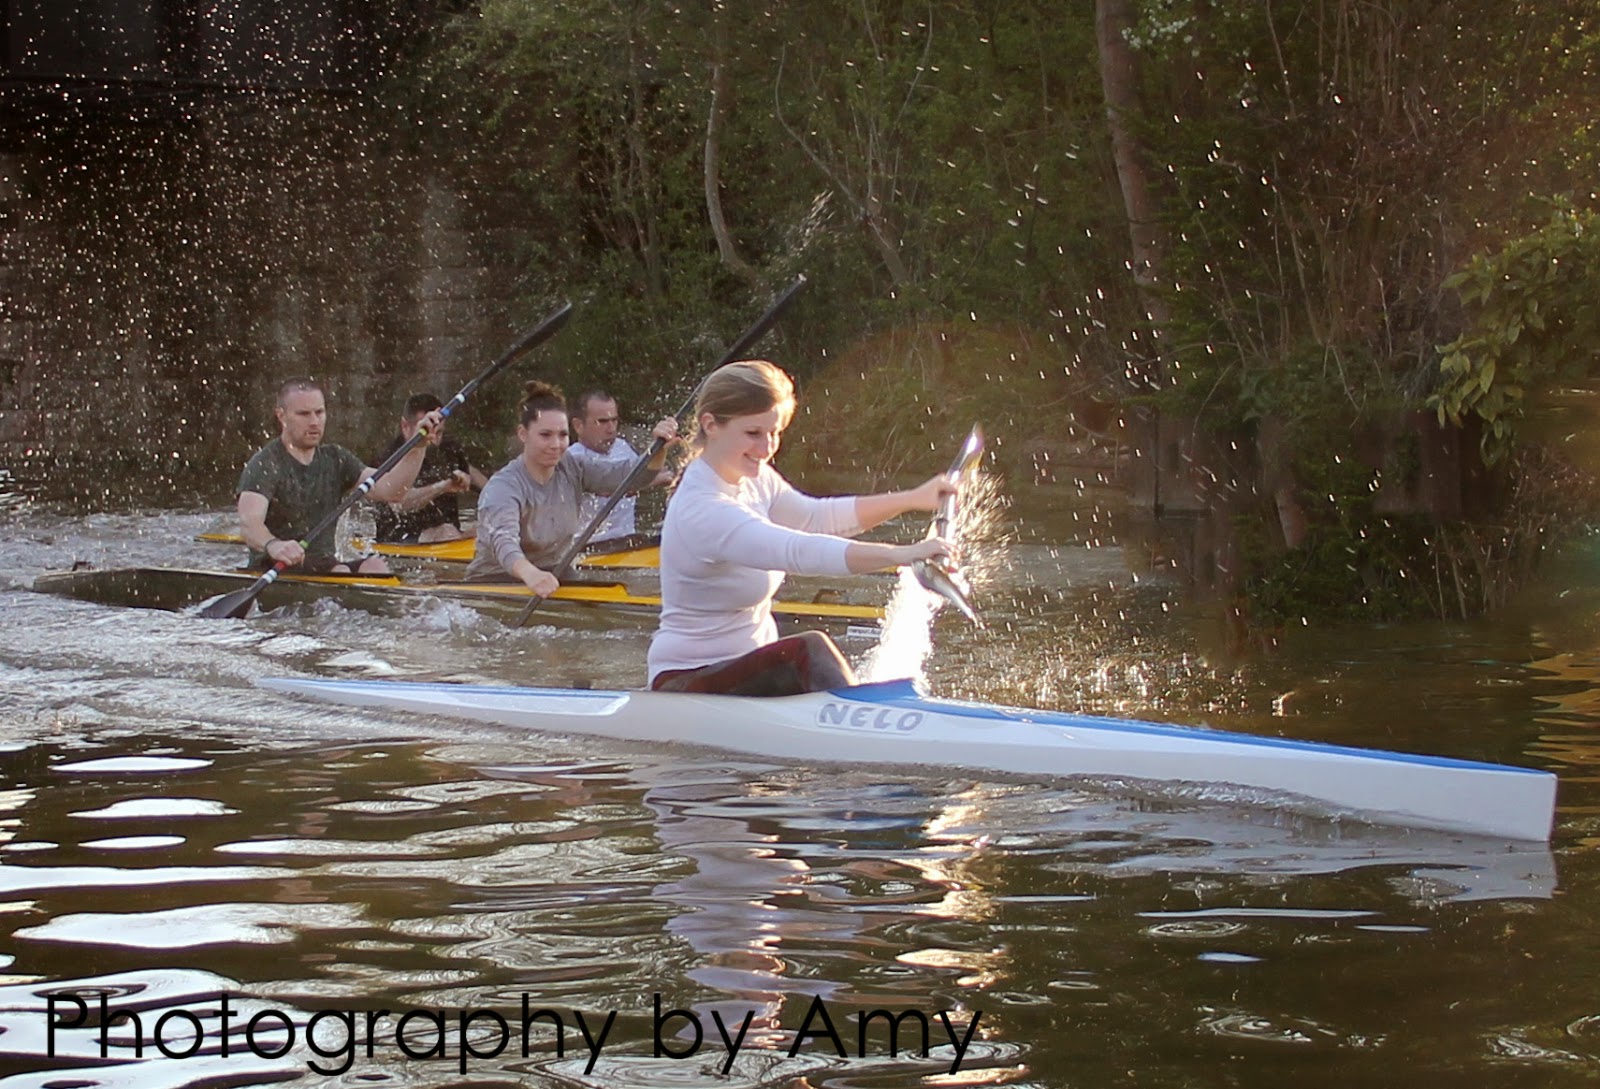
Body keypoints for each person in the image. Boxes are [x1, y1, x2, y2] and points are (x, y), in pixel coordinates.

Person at [647, 360, 955, 698]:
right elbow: (798, 550)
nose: (766, 449)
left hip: (749, 672)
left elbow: (817, 518)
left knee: (806, 654)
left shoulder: (755, 480)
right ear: (711, 425)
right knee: (809, 649)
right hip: (686, 683)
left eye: (775, 432)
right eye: (753, 433)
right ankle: (860, 729)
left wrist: (913, 498)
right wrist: (905, 555)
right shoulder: (702, 508)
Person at [463, 380, 680, 596]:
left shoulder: (572, 466)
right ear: (523, 434)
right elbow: (503, 541)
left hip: (556, 575)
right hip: (497, 581)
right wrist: (531, 574)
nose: (556, 444)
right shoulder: (503, 486)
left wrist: (658, 449)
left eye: (563, 435)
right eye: (545, 435)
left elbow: (631, 478)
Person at [237, 378, 443, 574]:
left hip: (325, 565)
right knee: (341, 570)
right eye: (304, 414)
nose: (314, 422)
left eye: (319, 412)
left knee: (375, 566)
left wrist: (417, 446)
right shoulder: (266, 463)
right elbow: (249, 524)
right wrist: (274, 545)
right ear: (281, 416)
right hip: (276, 568)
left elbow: (392, 490)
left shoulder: (336, 458)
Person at [372, 392, 489, 543]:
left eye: (439, 432)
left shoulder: (448, 449)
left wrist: (498, 493)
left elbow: (471, 472)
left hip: (451, 536)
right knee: (447, 531)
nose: (433, 440)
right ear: (405, 427)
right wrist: (442, 487)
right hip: (401, 541)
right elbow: (399, 504)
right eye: (426, 430)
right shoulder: (388, 459)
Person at [567, 389, 671, 545]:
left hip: (627, 541)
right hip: (590, 546)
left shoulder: (622, 447)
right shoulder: (571, 460)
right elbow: (607, 488)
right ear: (578, 426)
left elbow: (644, 474)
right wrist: (652, 480)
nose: (611, 429)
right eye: (602, 422)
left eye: (614, 420)